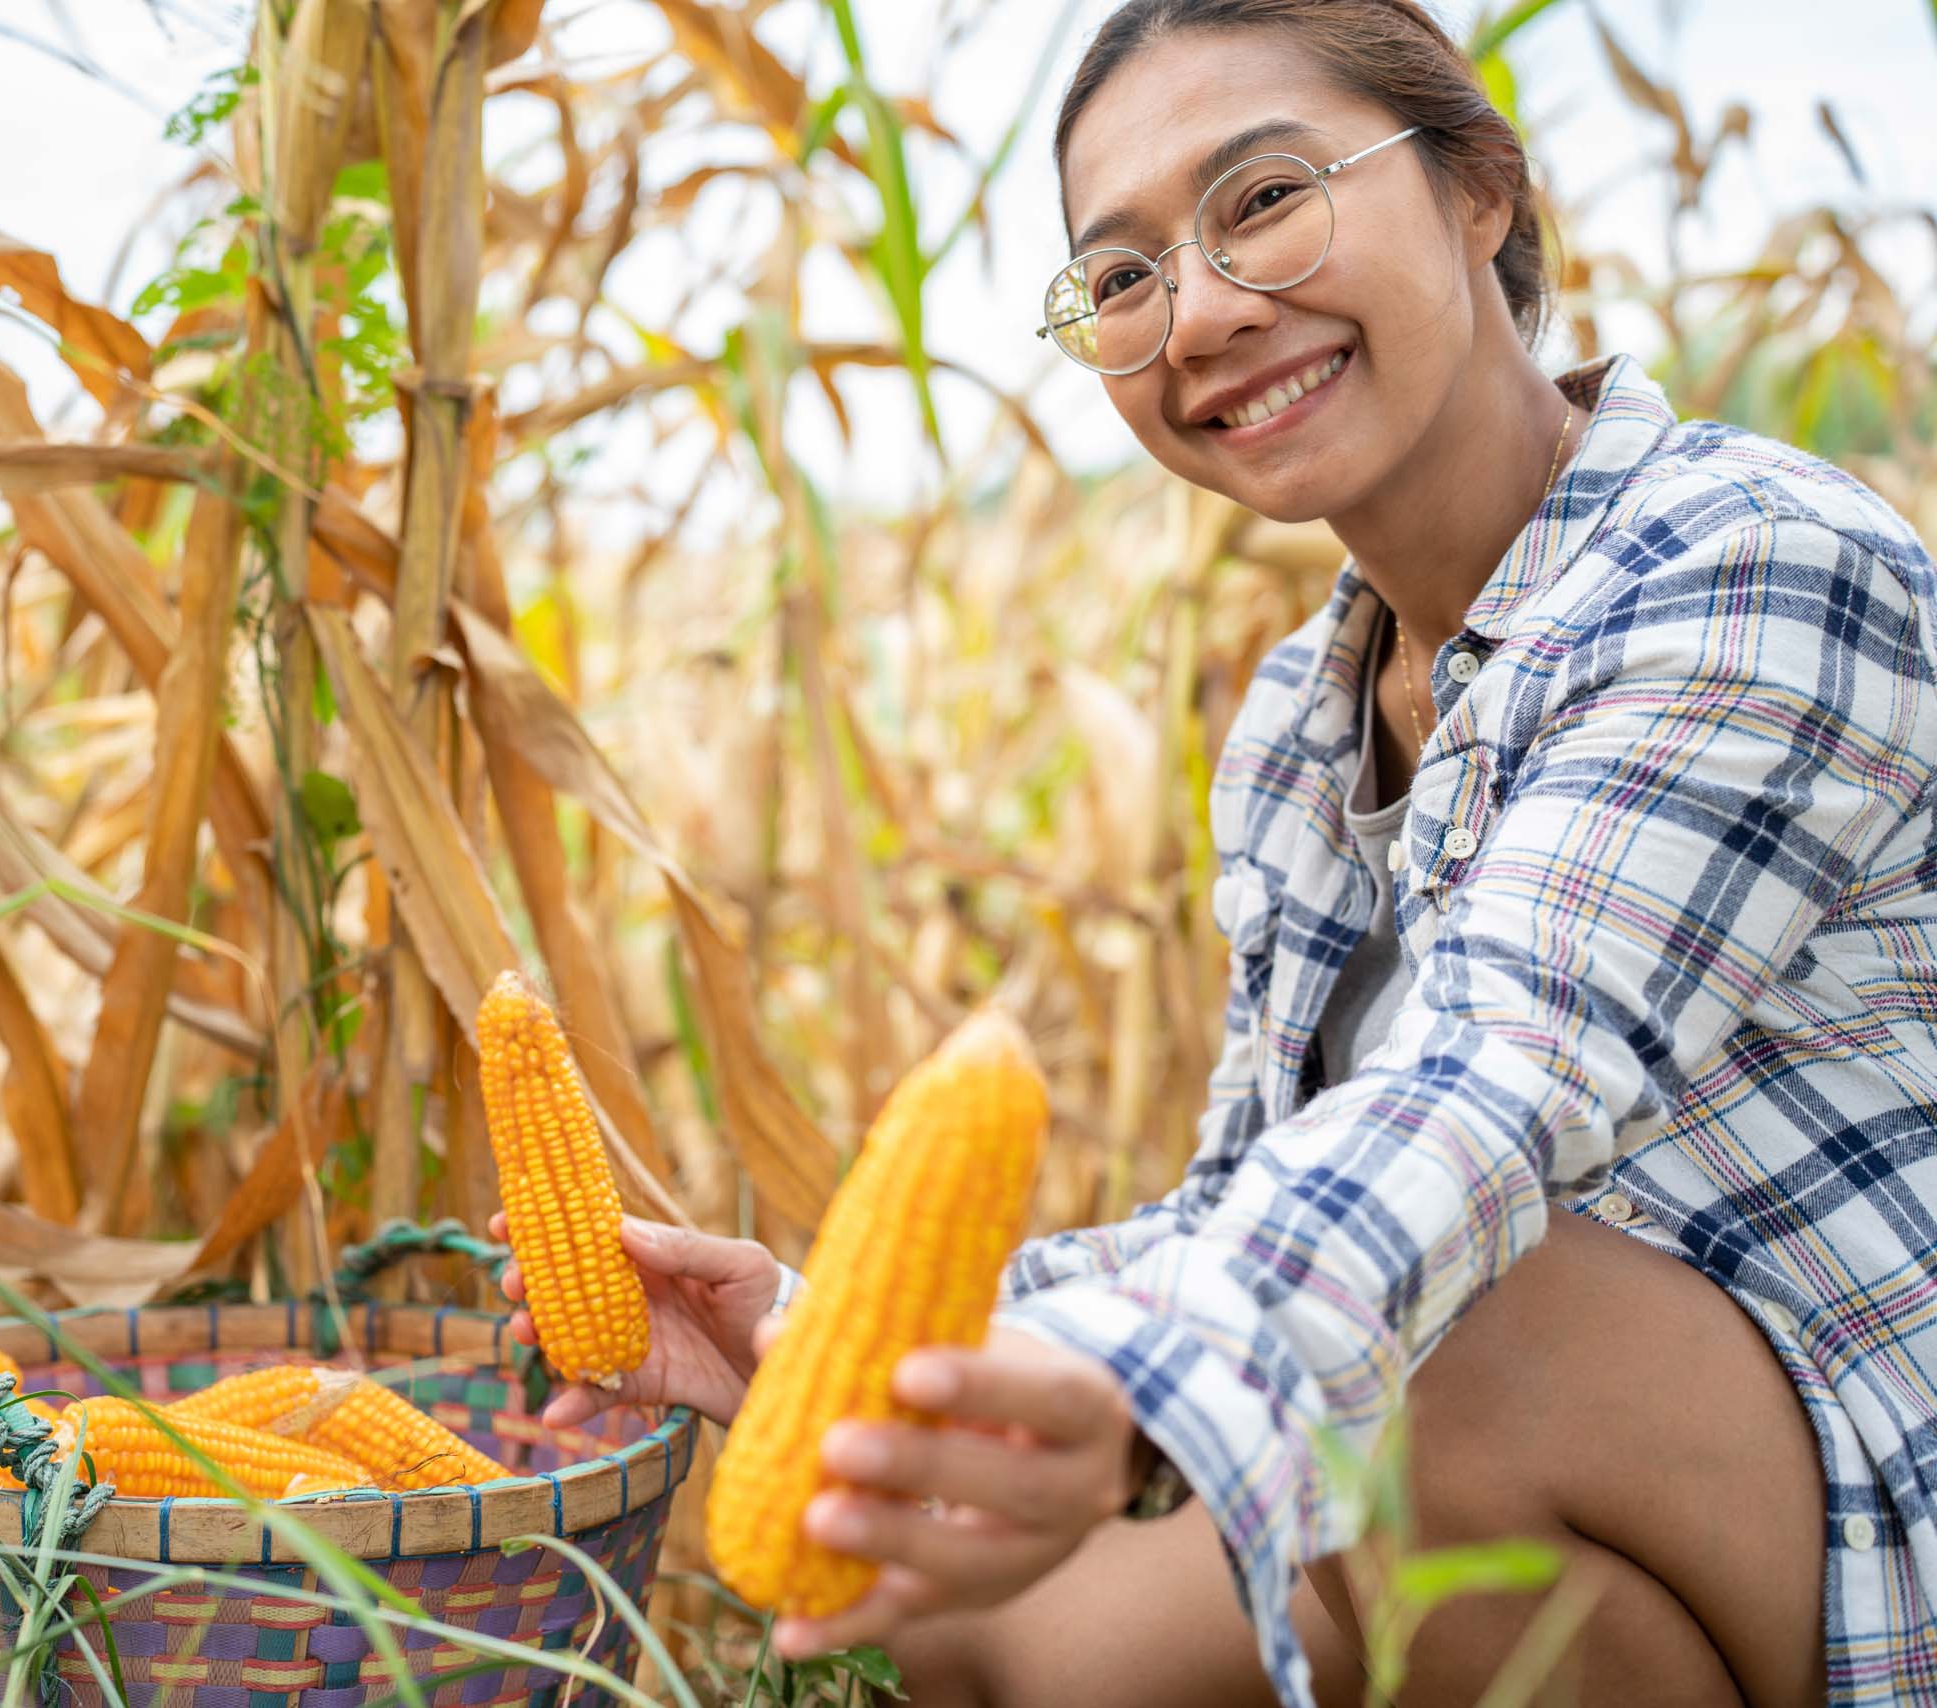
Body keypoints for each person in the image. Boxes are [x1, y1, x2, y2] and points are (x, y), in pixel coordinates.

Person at [497, 1, 1937, 1704]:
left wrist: (1130, 1401)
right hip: (1486, 1439)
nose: (1199, 314)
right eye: (1119, 278)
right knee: (970, 1607)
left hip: (1847, 1496)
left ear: (1481, 191)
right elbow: (1260, 1197)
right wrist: (842, 1336)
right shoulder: (1298, 718)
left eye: (1263, 198)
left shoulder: (1756, 560)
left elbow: (1502, 1081)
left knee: (1448, 1342)